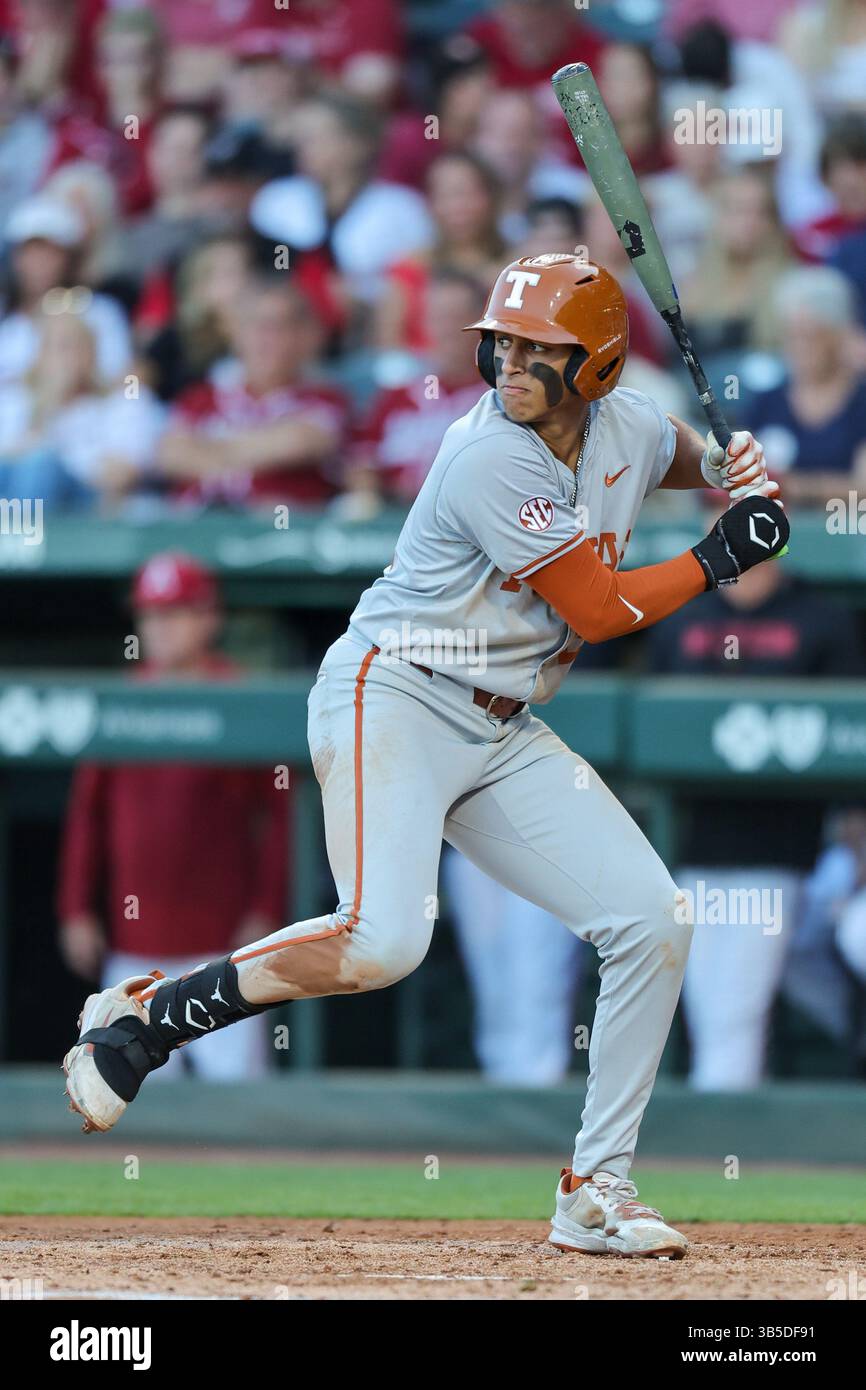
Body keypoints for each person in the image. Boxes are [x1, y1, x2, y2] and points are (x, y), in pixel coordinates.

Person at [62, 252, 787, 1261]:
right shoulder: (486, 451)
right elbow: (597, 607)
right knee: (381, 941)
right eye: (507, 341)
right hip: (393, 691)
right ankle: (152, 1012)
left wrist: (723, 465)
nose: (515, 363)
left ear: (601, 366)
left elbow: (665, 450)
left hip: (501, 720)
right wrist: (718, 557)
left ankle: (595, 1186)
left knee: (649, 919)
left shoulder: (624, 419)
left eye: (544, 348)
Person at [57, 552, 288, 1080]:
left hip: (222, 951)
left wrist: (265, 909)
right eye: (152, 614)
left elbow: (279, 820)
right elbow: (87, 817)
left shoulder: (241, 698)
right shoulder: (119, 700)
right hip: (134, 952)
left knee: (237, 1100)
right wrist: (74, 908)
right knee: (120, 1100)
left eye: (176, 612)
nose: (161, 627)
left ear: (210, 617)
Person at [648, 557, 865, 1089]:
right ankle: (719, 1145)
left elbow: (848, 744)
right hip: (694, 847)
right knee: (711, 1014)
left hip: (788, 852)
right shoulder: (681, 613)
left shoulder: (821, 618)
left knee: (734, 1017)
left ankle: (720, 1146)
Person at [156, 276, 349, 507]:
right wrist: (256, 450)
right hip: (196, 530)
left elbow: (298, 443)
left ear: (304, 335)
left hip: (277, 535)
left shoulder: (325, 399)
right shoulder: (199, 397)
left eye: (279, 327)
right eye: (255, 325)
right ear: (235, 332)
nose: (266, 339)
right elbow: (170, 456)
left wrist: (205, 449)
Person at [745, 265, 866, 503]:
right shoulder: (766, 403)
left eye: (810, 335)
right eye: (791, 335)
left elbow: (862, 488)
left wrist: (795, 486)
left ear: (838, 336)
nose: (799, 348)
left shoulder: (861, 402)